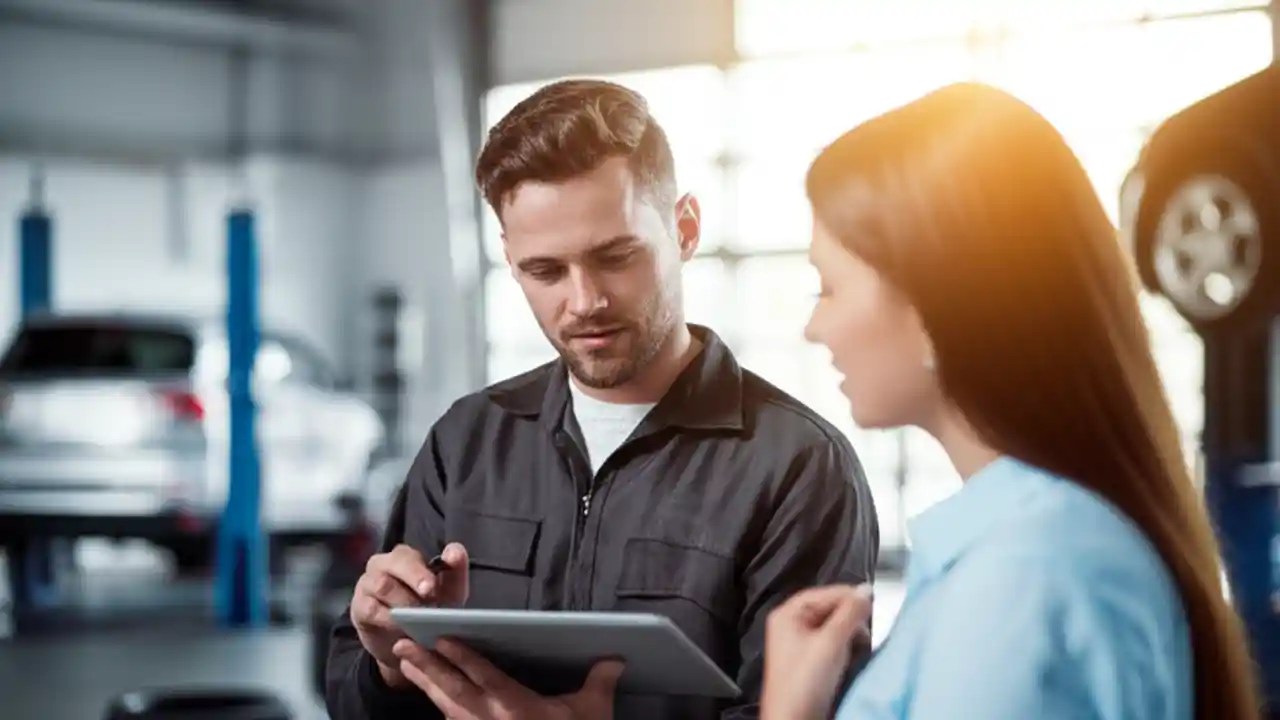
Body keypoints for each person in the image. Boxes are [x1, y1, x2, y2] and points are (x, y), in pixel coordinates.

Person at [325, 78, 880, 720]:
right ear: (509, 258)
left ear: (686, 229)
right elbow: (353, 697)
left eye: (615, 257)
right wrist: (388, 669)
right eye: (545, 271)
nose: (584, 301)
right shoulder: (467, 441)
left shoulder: (796, 468)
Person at [759, 83, 1261, 720]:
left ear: (929, 310)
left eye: (828, 287)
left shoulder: (1024, 577)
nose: (814, 328)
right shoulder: (1035, 547)